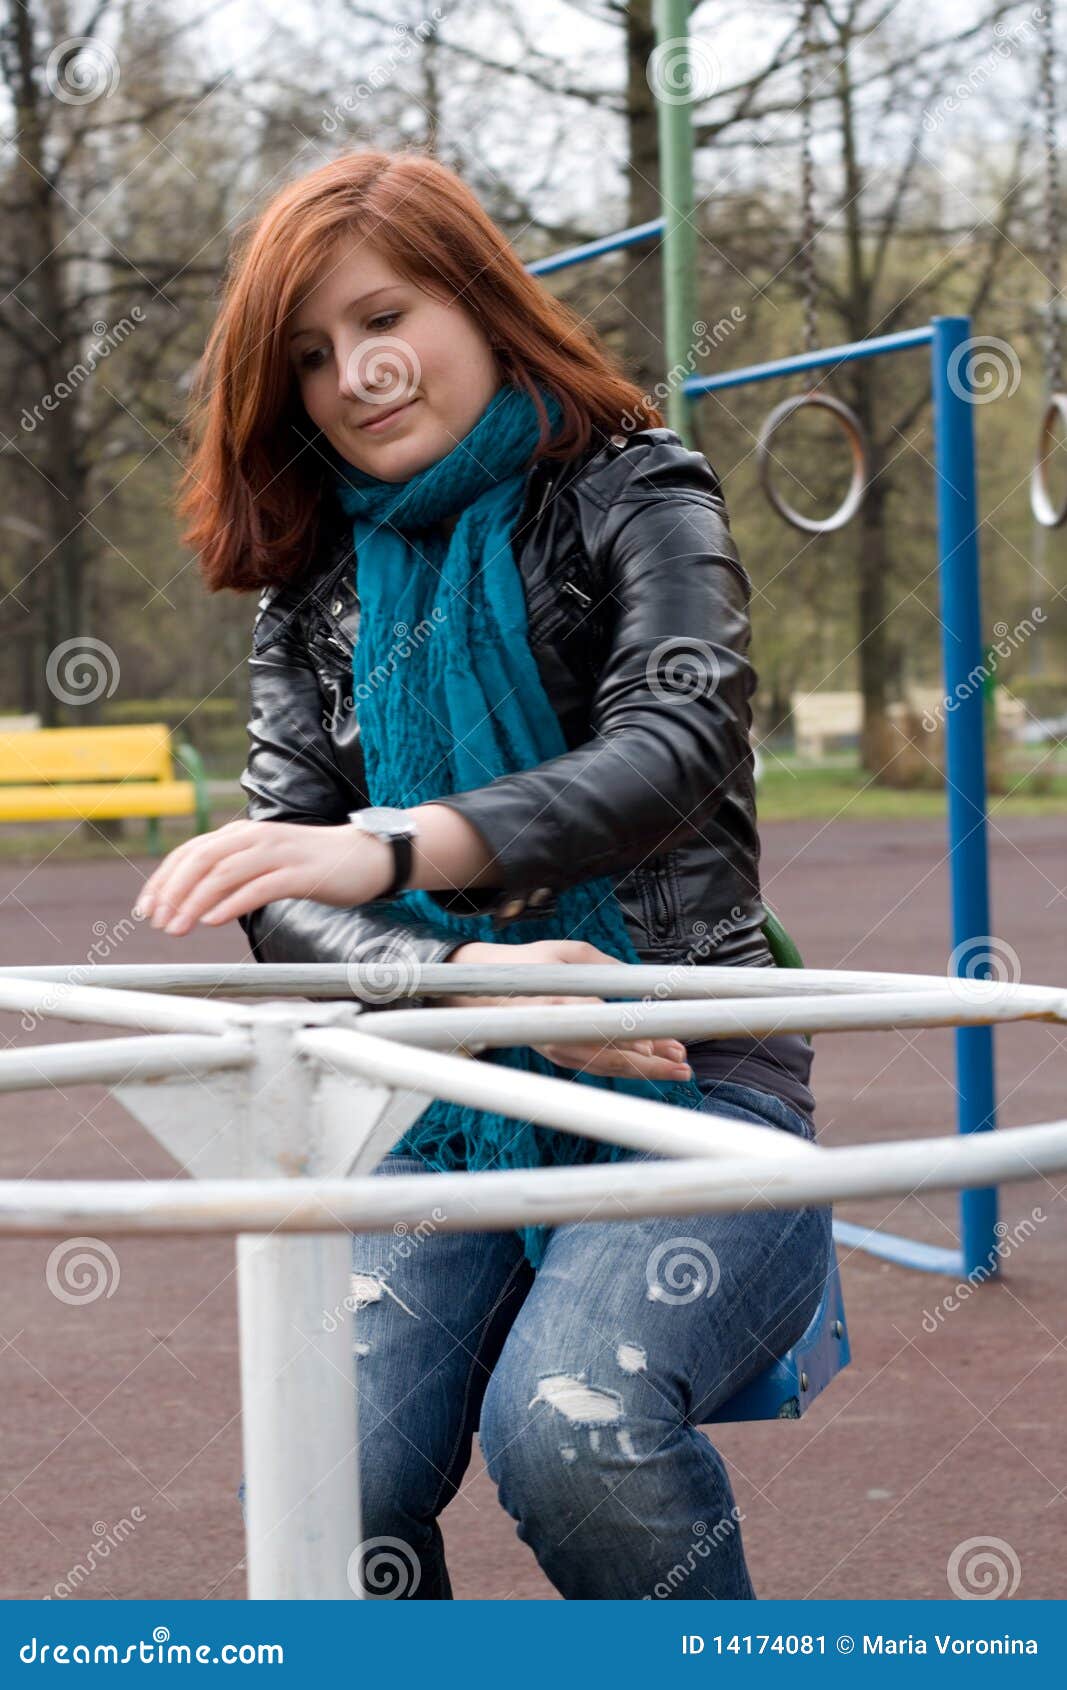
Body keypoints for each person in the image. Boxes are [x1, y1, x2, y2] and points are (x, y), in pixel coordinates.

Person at [134, 148, 832, 1601]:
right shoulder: (312, 586)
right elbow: (282, 890)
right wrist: (475, 977)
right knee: (333, 1471)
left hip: (691, 1075)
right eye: (313, 355)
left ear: (482, 302)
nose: (356, 375)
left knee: (571, 1431)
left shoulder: (640, 485)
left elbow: (679, 730)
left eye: (385, 317)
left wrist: (403, 840)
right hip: (450, 1092)